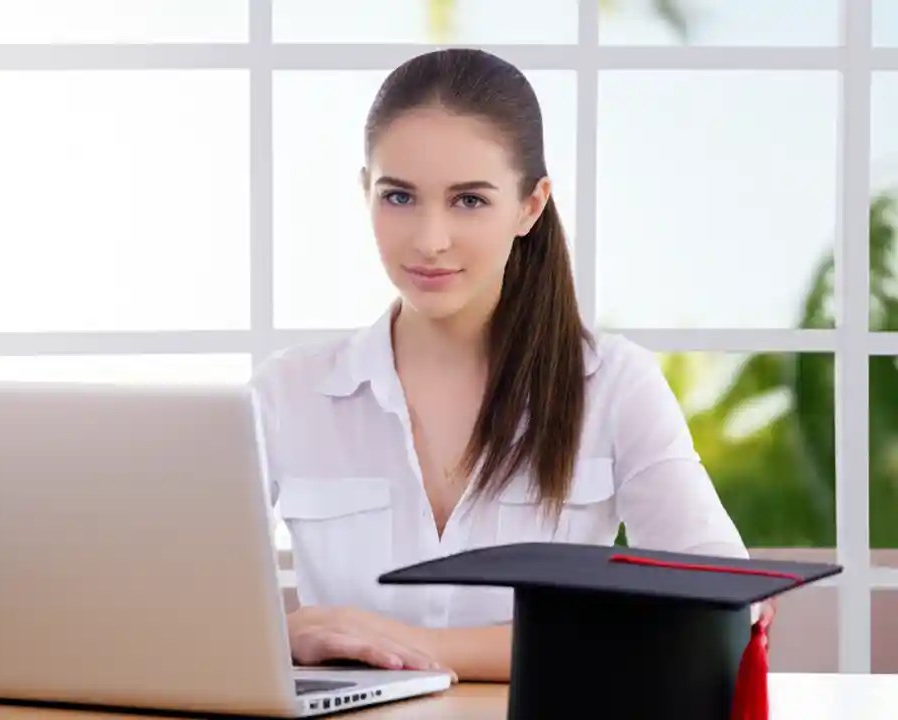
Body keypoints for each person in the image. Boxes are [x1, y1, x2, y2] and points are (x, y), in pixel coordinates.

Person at [249, 47, 758, 683]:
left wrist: (408, 645)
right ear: (365, 193)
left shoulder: (614, 386)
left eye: (469, 201)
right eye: (399, 196)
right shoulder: (285, 394)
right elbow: (179, 603)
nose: (430, 238)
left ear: (531, 205)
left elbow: (730, 606)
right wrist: (284, 635)